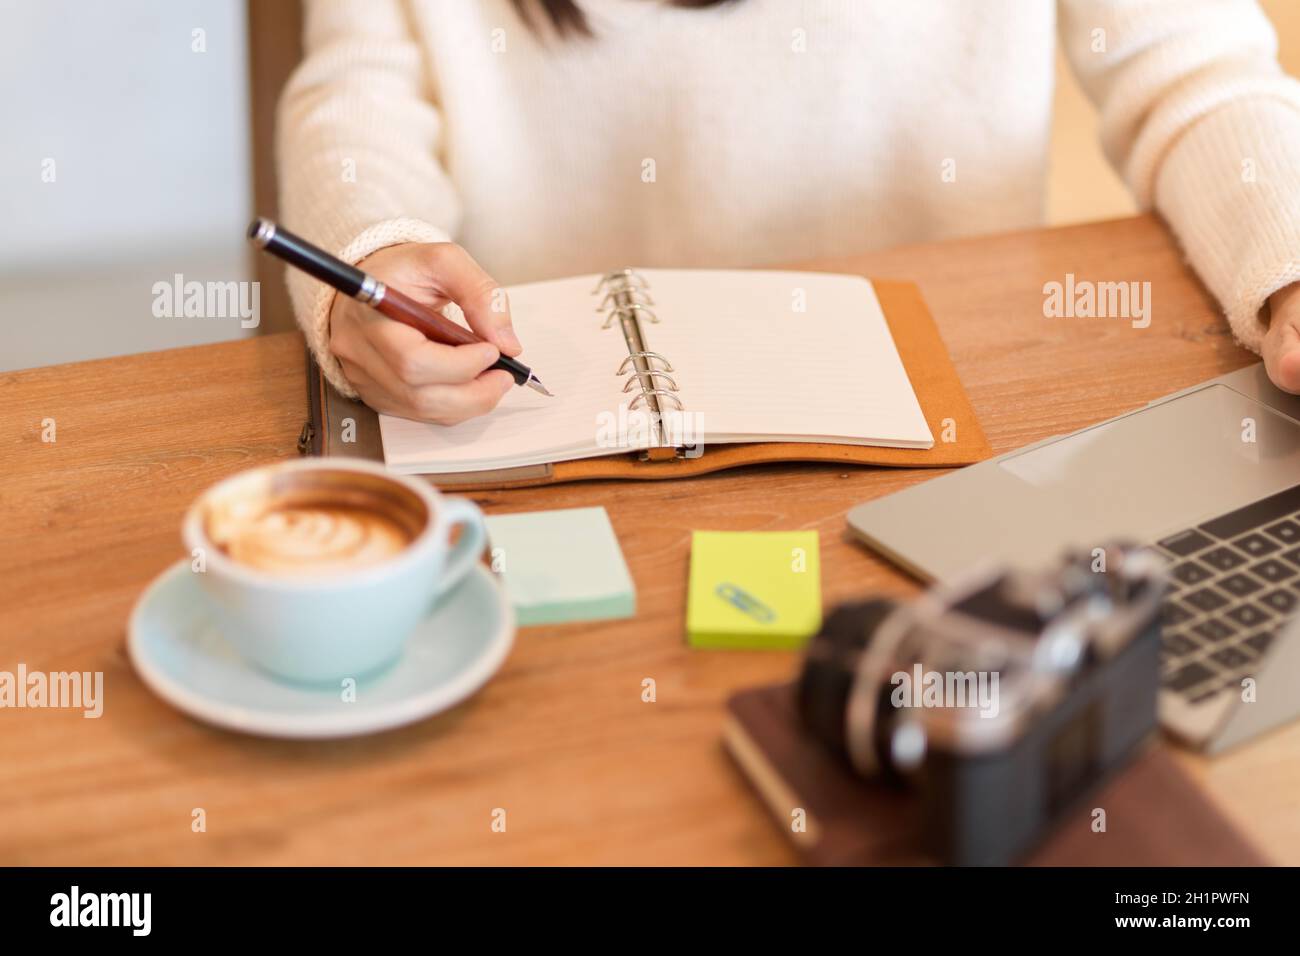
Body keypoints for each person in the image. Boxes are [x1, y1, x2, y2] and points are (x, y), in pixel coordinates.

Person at [278, 0, 1300, 423]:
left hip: (953, 425)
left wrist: (1287, 260)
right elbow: (357, 90)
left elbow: (1199, 75)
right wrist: (371, 253)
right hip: (550, 431)